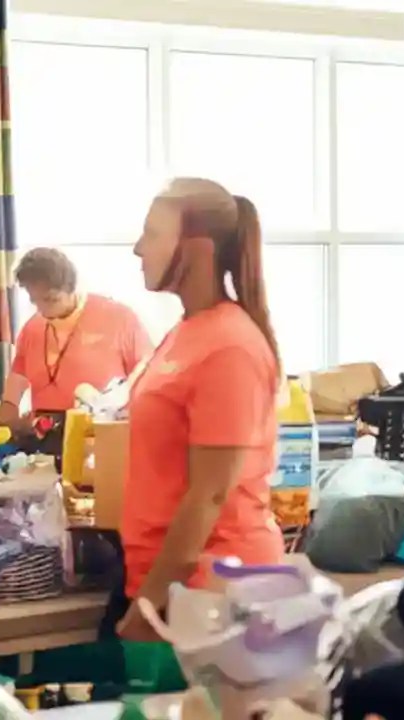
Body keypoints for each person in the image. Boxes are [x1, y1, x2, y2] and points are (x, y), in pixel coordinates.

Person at [112, 178, 284, 641]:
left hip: (211, 592)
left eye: (152, 234)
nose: (138, 248)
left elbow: (209, 495)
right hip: (172, 586)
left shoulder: (230, 347)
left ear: (197, 248)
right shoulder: (186, 331)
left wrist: (149, 604)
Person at [0, 247, 152, 428]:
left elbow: (146, 375)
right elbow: (15, 384)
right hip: (43, 434)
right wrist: (6, 418)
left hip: (98, 432)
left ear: (71, 287)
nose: (42, 310)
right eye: (35, 301)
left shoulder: (120, 318)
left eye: (50, 299)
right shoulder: (32, 327)